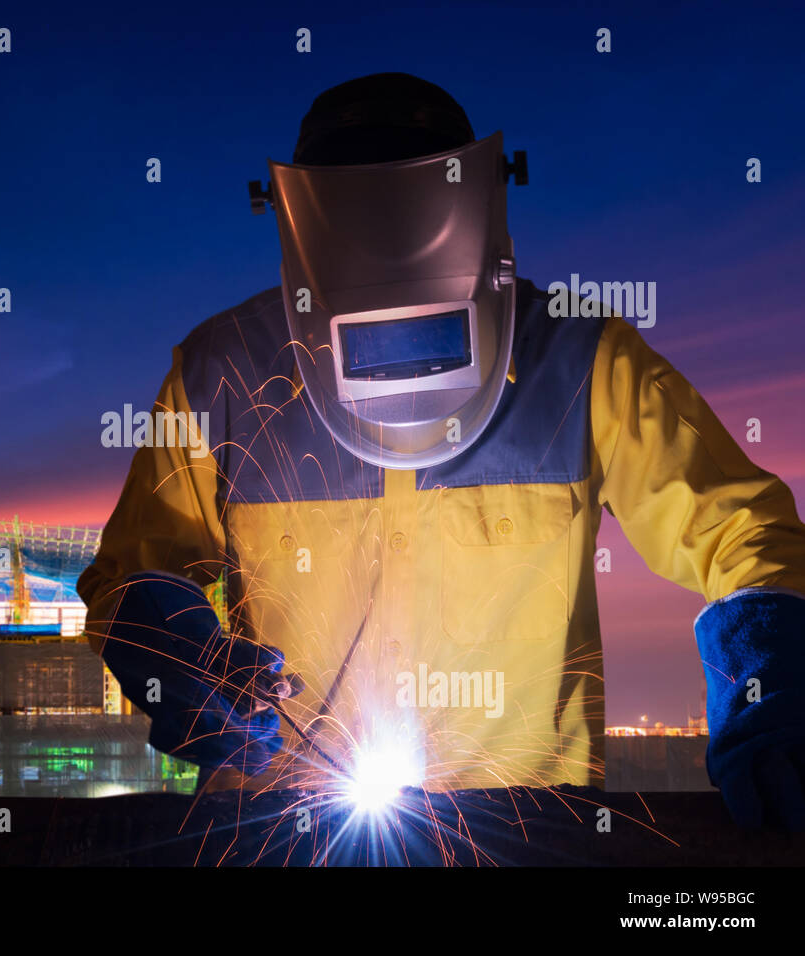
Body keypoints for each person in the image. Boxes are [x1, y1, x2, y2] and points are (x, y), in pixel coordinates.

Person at [77, 73, 805, 830]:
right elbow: (134, 572)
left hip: (522, 834)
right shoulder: (221, 372)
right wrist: (181, 656)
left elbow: (746, 535)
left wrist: (772, 688)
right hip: (279, 832)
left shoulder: (584, 360)